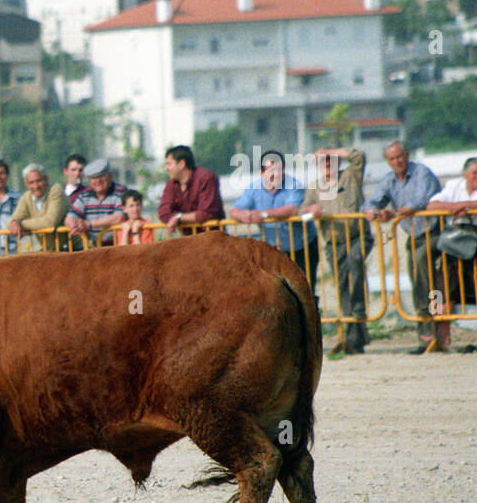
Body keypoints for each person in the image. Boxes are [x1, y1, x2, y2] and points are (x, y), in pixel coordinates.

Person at [364, 141, 442, 352]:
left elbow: (419, 202)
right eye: (392, 159)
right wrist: (371, 210)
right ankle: (426, 334)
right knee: (418, 281)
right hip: (414, 236)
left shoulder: (421, 173)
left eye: (399, 157)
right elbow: (373, 200)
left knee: (430, 281)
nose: (397, 162)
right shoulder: (389, 179)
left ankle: (437, 331)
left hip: (436, 232)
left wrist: (393, 213)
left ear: (407, 155)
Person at [303, 147, 372, 356]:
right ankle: (353, 336)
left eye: (330, 161)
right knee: (342, 283)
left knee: (355, 271)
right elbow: (303, 208)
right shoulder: (315, 187)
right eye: (322, 162)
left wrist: (330, 150)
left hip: (357, 236)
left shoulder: (351, 176)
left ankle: (355, 333)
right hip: (334, 242)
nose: (327, 164)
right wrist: (310, 210)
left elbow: (359, 156)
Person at [229, 150, 318, 289]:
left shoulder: (294, 185)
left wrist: (263, 214)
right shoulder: (253, 188)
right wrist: (243, 215)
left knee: (305, 289)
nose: (275, 174)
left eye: (279, 170)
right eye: (271, 170)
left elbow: (291, 209)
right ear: (261, 172)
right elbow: (233, 211)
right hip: (274, 249)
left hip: (302, 246)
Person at [427, 156, 477, 351]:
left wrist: (464, 205)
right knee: (439, 289)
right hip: (453, 240)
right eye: (474, 172)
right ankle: (440, 337)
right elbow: (431, 205)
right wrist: (453, 207)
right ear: (465, 173)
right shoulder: (454, 185)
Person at [159, 144, 225, 235]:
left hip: (212, 240)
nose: (165, 168)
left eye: (169, 164)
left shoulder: (206, 178)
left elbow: (207, 214)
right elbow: (163, 213)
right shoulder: (171, 183)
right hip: (189, 241)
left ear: (181, 164)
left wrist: (178, 218)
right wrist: (185, 218)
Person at [8, 162, 69, 251]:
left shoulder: (55, 190)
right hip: (48, 251)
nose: (36, 186)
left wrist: (21, 224)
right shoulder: (26, 197)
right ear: (26, 184)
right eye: (31, 182)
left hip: (71, 249)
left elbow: (50, 222)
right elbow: (11, 221)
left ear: (46, 179)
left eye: (39, 181)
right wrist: (14, 223)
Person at [67, 159, 128, 245]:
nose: (98, 181)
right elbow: (70, 217)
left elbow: (119, 217)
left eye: (102, 176)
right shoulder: (84, 195)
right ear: (89, 181)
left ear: (111, 176)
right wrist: (74, 225)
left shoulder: (120, 192)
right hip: (93, 247)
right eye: (93, 178)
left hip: (117, 246)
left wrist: (89, 224)